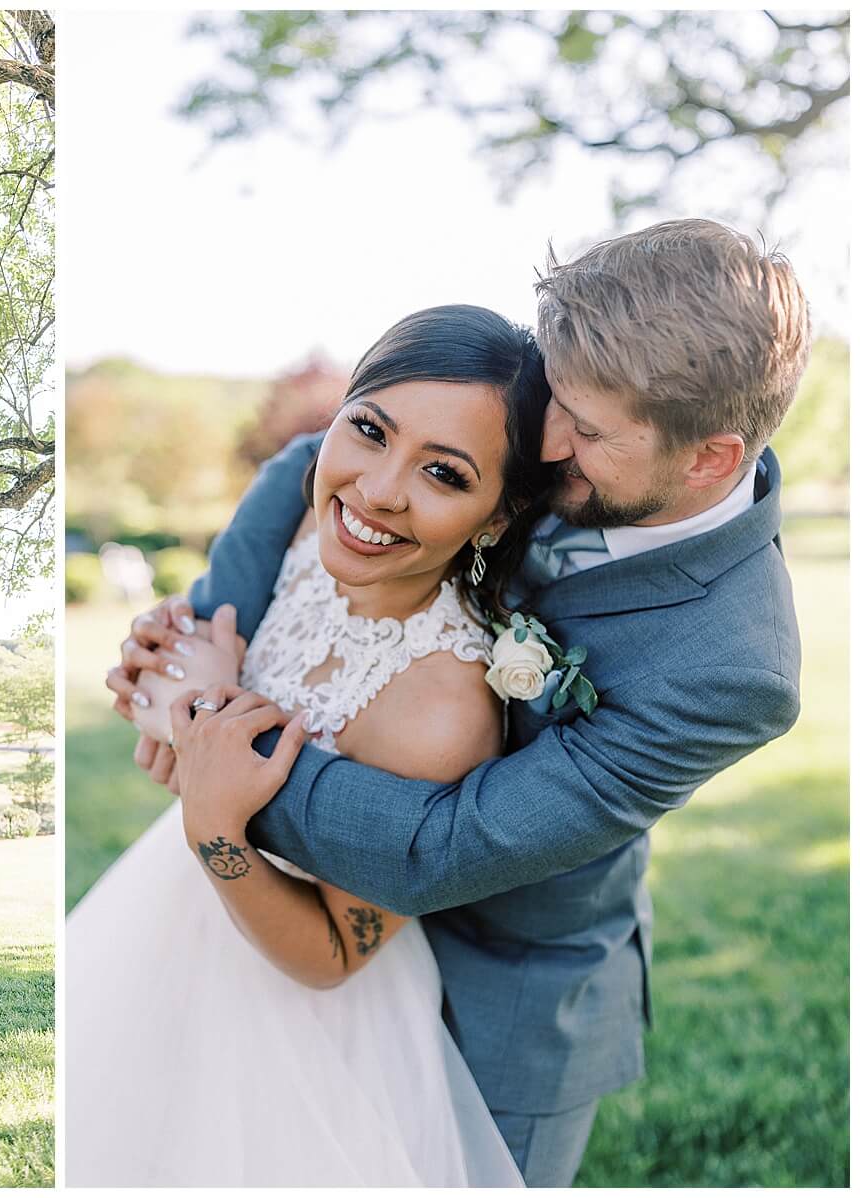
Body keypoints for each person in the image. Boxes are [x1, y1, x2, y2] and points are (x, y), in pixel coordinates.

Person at [105, 219, 810, 1185]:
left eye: (589, 431)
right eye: (554, 399)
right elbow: (313, 469)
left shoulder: (731, 665)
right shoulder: (467, 448)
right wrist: (181, 644)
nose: (543, 442)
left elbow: (443, 848)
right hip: (270, 925)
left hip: (510, 981)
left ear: (708, 461)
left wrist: (218, 739)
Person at [70, 303, 553, 1186]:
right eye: (369, 429)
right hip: (165, 924)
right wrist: (170, 688)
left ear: (496, 514)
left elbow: (333, 954)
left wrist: (214, 823)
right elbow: (209, 734)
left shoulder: (443, 706)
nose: (377, 490)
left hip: (303, 1030)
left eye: (443, 473)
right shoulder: (304, 538)